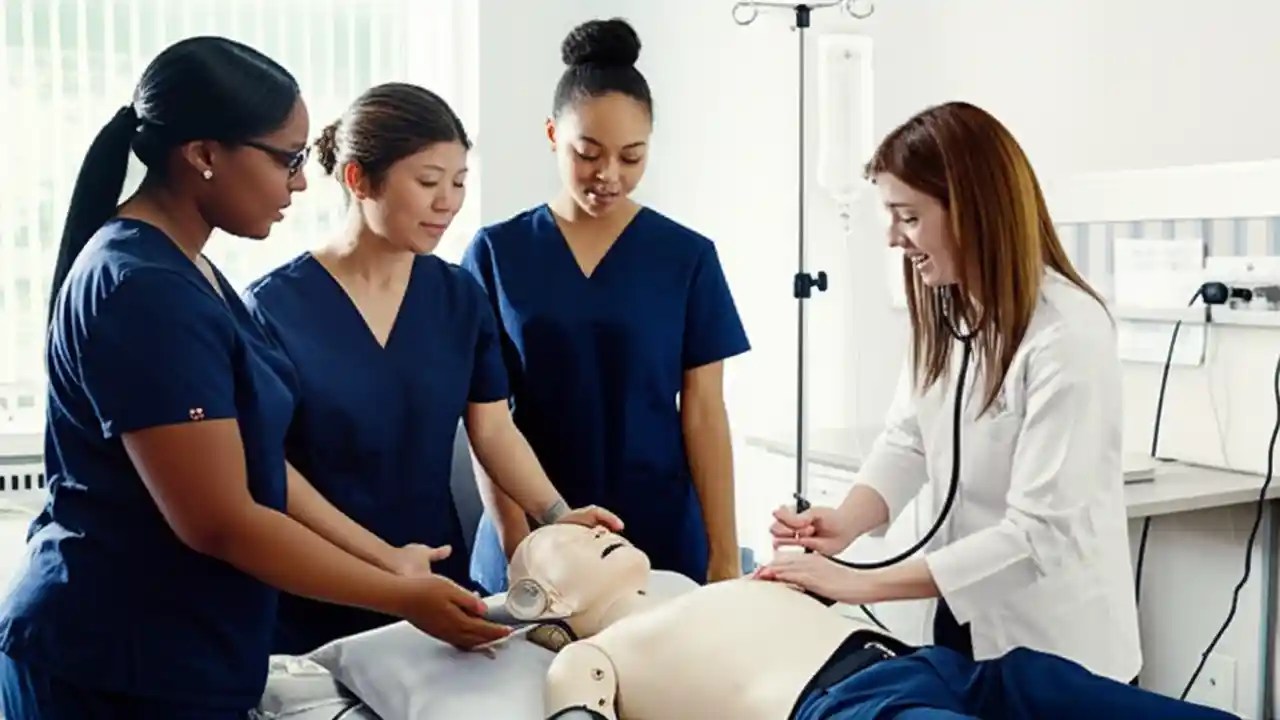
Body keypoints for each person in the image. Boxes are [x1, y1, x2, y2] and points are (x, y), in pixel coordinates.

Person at [0, 37, 511, 719]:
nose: (301, 182)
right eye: (287, 160)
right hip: (114, 660)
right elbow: (221, 521)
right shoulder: (143, 288)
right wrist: (400, 596)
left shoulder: (192, 272)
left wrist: (390, 561)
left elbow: (259, 465)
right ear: (204, 154)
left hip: (187, 649)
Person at [242, 82, 622, 655]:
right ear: (359, 180)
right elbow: (270, 471)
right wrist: (385, 562)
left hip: (438, 589)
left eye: (460, 182)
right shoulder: (273, 308)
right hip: (314, 598)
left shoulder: (458, 296)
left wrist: (557, 514)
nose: (448, 201)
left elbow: (492, 428)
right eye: (428, 182)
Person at [766, 101, 1141, 682]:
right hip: (961, 628)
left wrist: (862, 584)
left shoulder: (1069, 334)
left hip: (1055, 646)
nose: (893, 238)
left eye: (908, 217)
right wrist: (846, 522)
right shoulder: (950, 308)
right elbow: (910, 437)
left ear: (972, 210)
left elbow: (1036, 535)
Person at [461, 17, 751, 594]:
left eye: (632, 156)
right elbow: (485, 419)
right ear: (551, 135)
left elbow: (703, 413)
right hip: (532, 530)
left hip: (658, 532)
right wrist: (518, 547)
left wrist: (724, 560)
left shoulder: (686, 256)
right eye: (588, 153)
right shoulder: (498, 251)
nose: (609, 175)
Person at [504, 524, 1236, 720]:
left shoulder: (717, 588)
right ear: (542, 600)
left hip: (940, 668)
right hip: (847, 709)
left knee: (1074, 693)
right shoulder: (595, 654)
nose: (587, 527)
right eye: (561, 541)